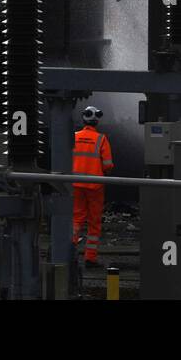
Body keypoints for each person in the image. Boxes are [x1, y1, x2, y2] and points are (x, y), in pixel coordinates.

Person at [72, 105, 114, 266]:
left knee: (76, 219)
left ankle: (68, 251)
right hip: (95, 185)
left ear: (83, 119)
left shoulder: (74, 137)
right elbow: (108, 165)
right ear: (97, 121)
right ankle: (90, 257)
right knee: (94, 222)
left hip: (75, 183)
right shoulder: (101, 139)